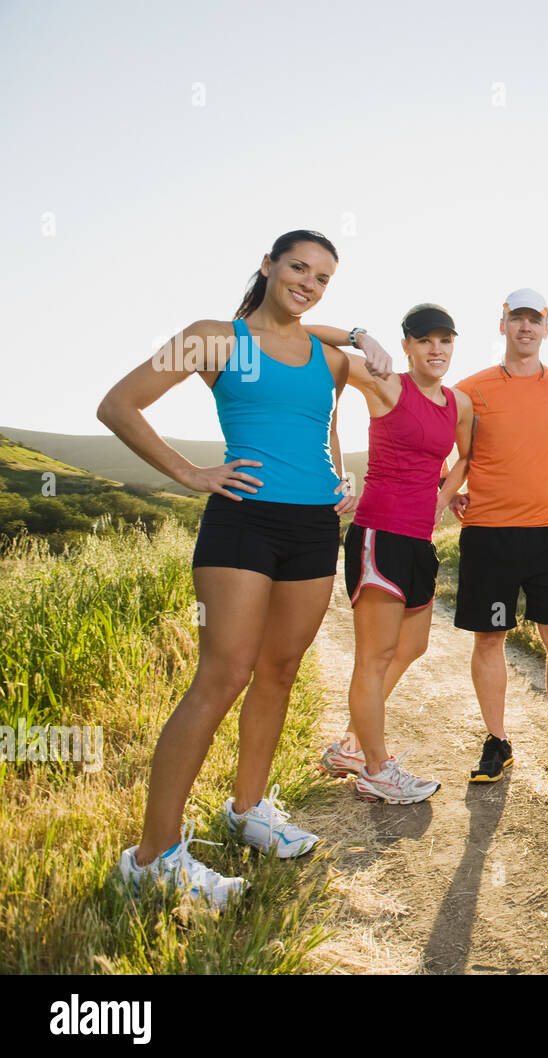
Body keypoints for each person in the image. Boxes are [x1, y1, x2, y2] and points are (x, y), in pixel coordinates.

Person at [98, 229, 371, 909]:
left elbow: (325, 416)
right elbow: (119, 405)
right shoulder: (214, 338)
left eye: (321, 278)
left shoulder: (328, 358)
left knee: (280, 671)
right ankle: (152, 856)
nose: (307, 283)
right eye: (297, 268)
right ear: (268, 266)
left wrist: (341, 474)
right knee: (222, 676)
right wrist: (191, 472)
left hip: (314, 527)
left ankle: (248, 810)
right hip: (242, 518)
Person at [446, 289, 548, 800]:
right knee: (490, 638)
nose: (525, 328)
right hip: (489, 535)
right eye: (516, 319)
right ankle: (497, 741)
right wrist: (450, 492)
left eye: (533, 320)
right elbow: (446, 448)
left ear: (546, 328)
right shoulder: (470, 390)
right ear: (502, 326)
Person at [305, 305, 472, 803]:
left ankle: (352, 744)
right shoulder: (384, 382)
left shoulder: (457, 403)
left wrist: (443, 497)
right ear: (406, 345)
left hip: (419, 539)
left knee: (411, 647)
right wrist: (359, 336)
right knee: (374, 657)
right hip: (378, 533)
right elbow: (303, 335)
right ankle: (375, 769)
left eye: (444, 340)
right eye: (424, 341)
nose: (435, 349)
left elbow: (465, 456)